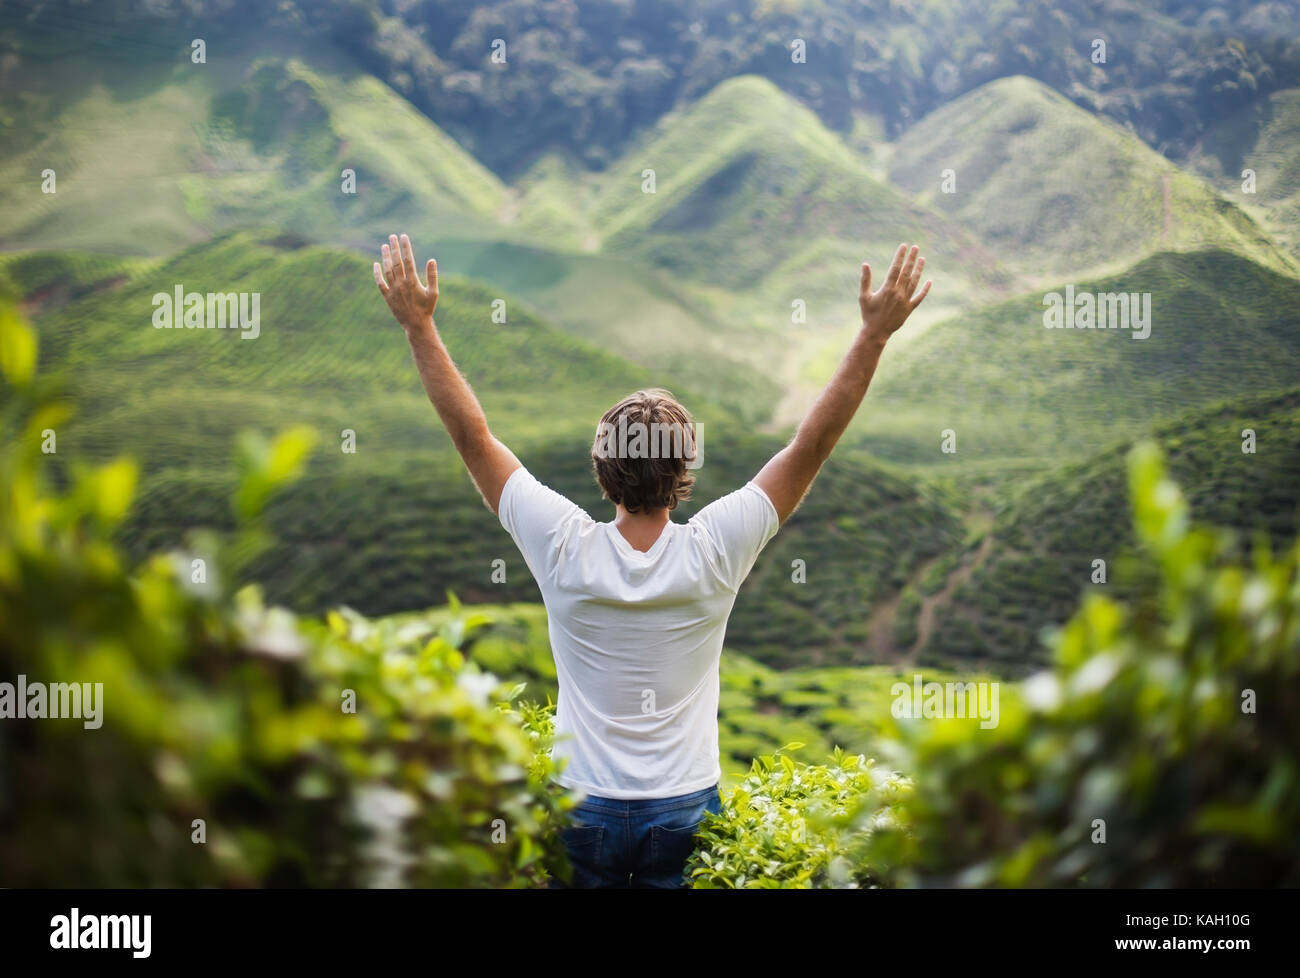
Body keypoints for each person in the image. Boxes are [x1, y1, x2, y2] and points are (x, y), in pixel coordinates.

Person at [374, 234, 931, 887]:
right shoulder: (717, 547)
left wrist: (418, 325)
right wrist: (873, 336)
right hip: (685, 806)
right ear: (683, 470)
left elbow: (473, 436)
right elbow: (811, 445)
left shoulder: (561, 544)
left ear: (602, 467)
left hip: (579, 804)